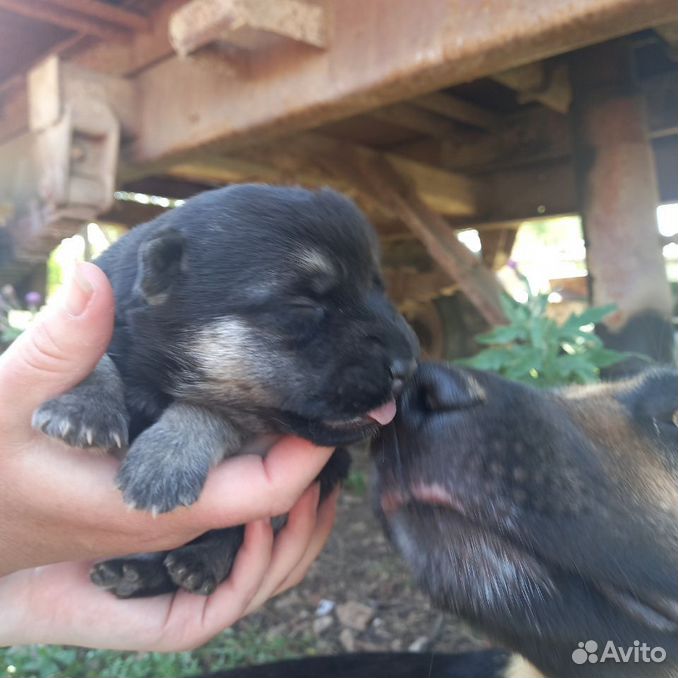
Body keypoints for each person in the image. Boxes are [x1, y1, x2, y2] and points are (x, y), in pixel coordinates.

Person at [0, 263, 339, 651]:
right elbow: (96, 359)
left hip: (241, 504)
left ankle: (208, 554)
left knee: (288, 491)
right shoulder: (146, 318)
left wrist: (31, 605)